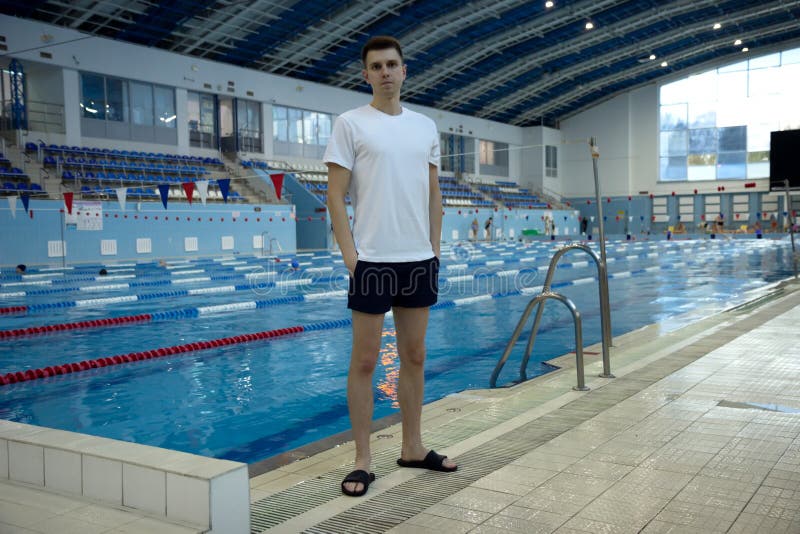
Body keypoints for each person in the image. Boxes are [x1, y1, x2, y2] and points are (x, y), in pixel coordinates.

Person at [324, 35, 456, 498]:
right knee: (363, 361)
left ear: (405, 71)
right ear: (365, 75)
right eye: (375, 66)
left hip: (418, 258)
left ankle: (413, 446)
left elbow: (433, 193)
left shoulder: (425, 127)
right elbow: (335, 197)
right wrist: (351, 257)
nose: (384, 72)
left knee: (415, 357)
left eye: (392, 65)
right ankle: (362, 458)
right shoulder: (350, 124)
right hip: (373, 261)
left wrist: (434, 250)